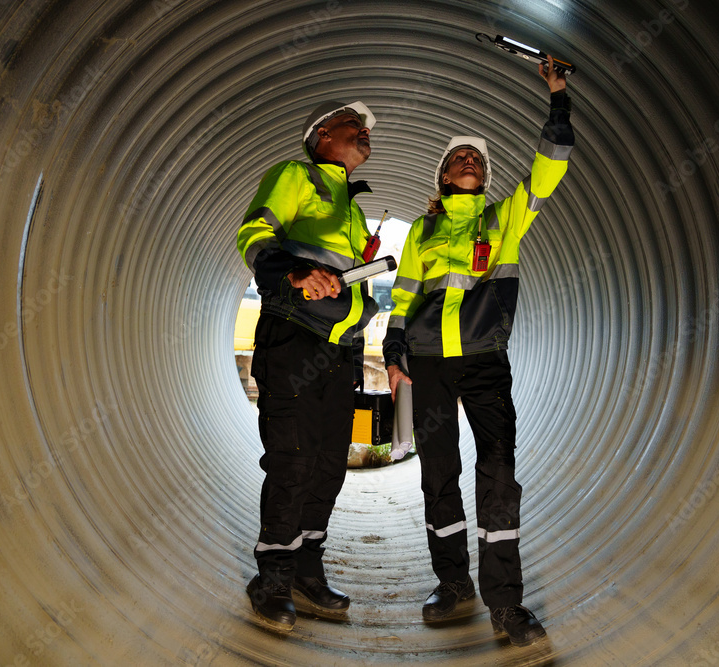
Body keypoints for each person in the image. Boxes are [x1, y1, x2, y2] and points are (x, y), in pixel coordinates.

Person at [383, 56, 573, 647]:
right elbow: (404, 295)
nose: (468, 161)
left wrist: (559, 99)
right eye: (457, 158)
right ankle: (453, 584)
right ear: (441, 176)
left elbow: (548, 170)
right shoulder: (420, 231)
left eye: (477, 160)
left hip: (485, 362)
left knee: (498, 475)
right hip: (430, 367)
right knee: (439, 474)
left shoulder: (503, 220)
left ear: (485, 178)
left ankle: (506, 605)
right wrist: (393, 350)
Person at [236, 100, 379, 632]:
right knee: (292, 460)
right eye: (353, 125)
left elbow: (343, 274)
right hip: (293, 334)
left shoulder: (355, 209)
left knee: (328, 465)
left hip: (341, 349)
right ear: (321, 135)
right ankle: (271, 578)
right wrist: (295, 271)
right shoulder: (296, 175)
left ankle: (305, 569)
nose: (365, 132)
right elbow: (254, 236)